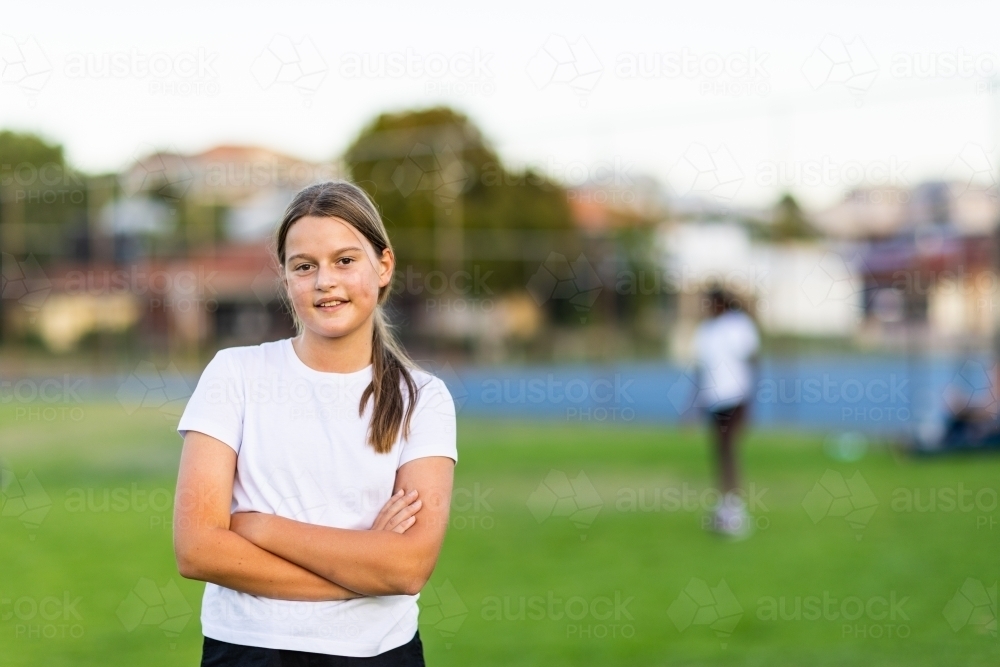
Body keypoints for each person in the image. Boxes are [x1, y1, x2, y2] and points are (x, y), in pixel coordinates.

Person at [173, 181, 457, 665]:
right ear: (286, 280)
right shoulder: (234, 373)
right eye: (304, 266)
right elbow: (197, 548)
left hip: (379, 653)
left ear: (383, 265)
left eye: (345, 260)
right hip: (249, 651)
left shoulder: (422, 397)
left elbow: (407, 569)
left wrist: (258, 527)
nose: (325, 280)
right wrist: (362, 571)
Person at [692, 286, 759, 537]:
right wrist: (695, 404)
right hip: (714, 398)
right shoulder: (705, 331)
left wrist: (751, 399)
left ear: (720, 303)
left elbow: (753, 360)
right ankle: (725, 503)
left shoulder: (738, 326)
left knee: (729, 448)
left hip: (736, 396)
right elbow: (701, 369)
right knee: (720, 451)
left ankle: (735, 508)